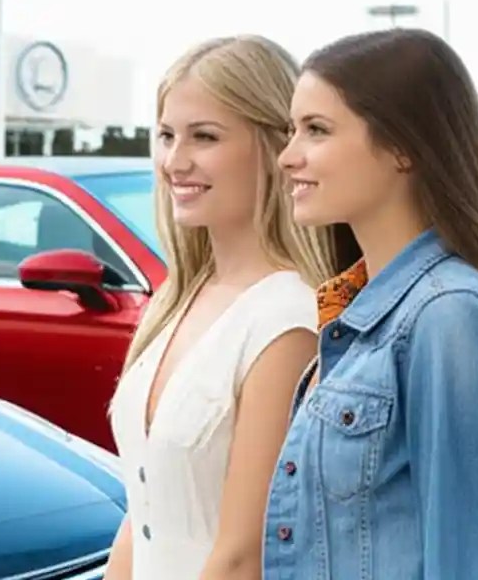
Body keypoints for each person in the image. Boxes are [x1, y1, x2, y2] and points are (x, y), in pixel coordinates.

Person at [265, 27, 478, 579]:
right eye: (291, 130)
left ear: (403, 148)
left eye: (316, 130)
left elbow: (464, 562)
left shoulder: (451, 315)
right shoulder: (351, 308)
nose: (287, 157)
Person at [104, 35, 342, 580]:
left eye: (204, 136)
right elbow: (143, 514)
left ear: (276, 146)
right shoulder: (177, 298)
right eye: (167, 136)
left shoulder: (290, 322)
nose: (175, 161)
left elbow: (243, 557)